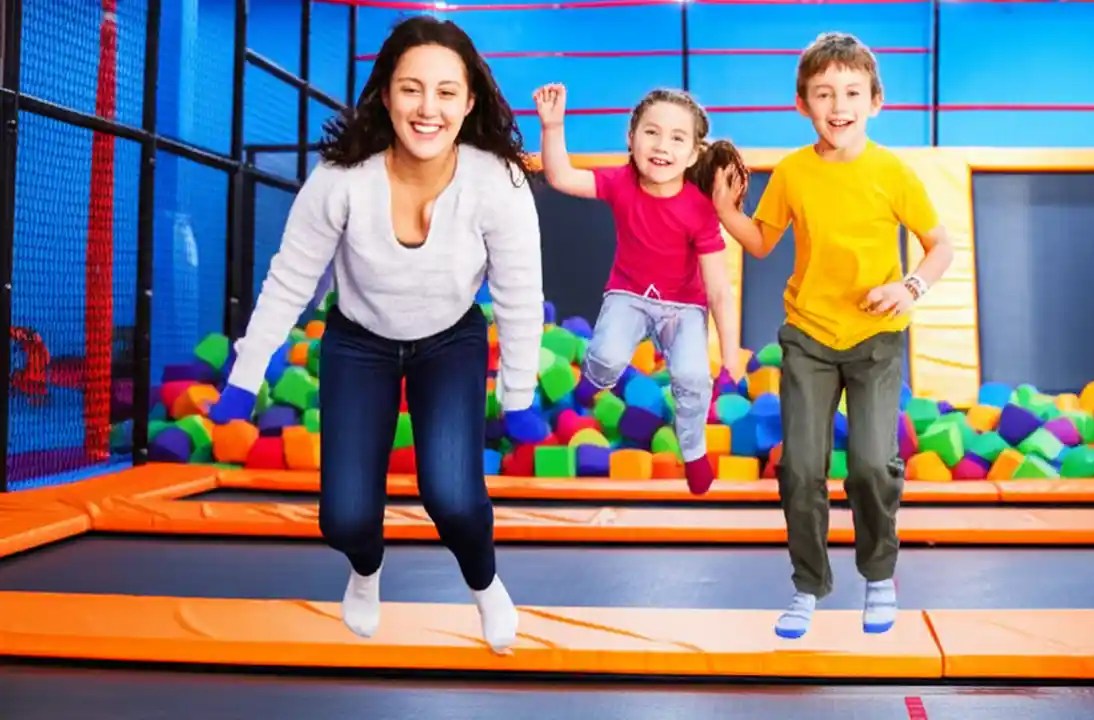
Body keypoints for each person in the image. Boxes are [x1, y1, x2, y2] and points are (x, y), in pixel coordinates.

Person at [205, 16, 550, 653]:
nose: (428, 109)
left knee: (452, 496)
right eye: (411, 89)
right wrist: (244, 378)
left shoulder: (496, 180)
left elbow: (520, 293)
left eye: (446, 92)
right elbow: (290, 280)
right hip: (359, 341)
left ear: (469, 101)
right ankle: (366, 572)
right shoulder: (341, 178)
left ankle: (486, 585)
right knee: (343, 518)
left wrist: (520, 394)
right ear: (386, 94)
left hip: (449, 341)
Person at [714, 32, 954, 637]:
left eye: (851, 92)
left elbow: (939, 245)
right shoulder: (794, 172)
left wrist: (910, 288)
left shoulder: (892, 172)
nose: (838, 105)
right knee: (800, 467)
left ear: (876, 101)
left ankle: (879, 575)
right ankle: (808, 586)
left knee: (872, 465)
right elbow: (762, 242)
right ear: (802, 104)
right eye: (823, 93)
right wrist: (725, 210)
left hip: (876, 338)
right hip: (809, 337)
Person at [532, 83, 749, 495]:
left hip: (683, 307)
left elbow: (720, 290)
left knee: (692, 378)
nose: (662, 145)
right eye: (651, 132)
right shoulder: (620, 182)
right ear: (631, 138)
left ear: (693, 154)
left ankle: (694, 453)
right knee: (606, 357)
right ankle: (593, 380)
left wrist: (731, 358)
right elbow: (560, 177)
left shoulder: (699, 210)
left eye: (677, 138)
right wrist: (553, 126)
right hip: (629, 296)